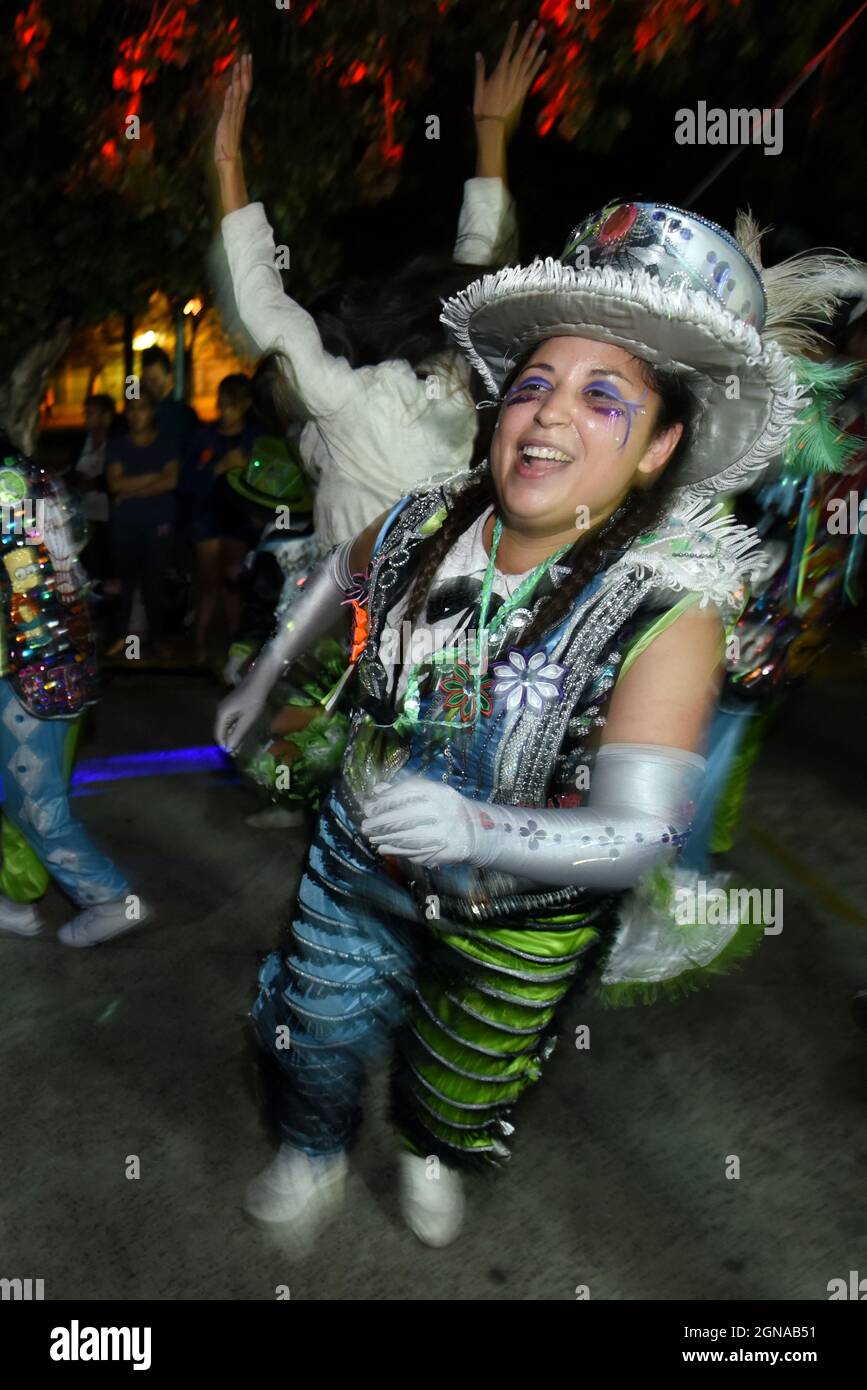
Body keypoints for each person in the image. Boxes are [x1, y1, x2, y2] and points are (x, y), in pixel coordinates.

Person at [216, 199, 863, 1247]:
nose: (550, 414)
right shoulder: (432, 517)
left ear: (659, 449)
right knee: (312, 1023)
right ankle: (315, 1143)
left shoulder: (671, 607)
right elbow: (345, 571)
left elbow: (641, 829)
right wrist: (276, 668)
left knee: (465, 1072)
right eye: (533, 383)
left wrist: (480, 833)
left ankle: (428, 1144)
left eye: (604, 398)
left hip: (522, 917)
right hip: (362, 847)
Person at [214, 25, 545, 551]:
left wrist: (227, 166)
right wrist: (490, 132)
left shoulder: (355, 410)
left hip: (373, 620)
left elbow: (268, 308)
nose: (283, 382)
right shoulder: (447, 385)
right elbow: (478, 268)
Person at [0, 433, 149, 946]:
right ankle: (17, 899)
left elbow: (25, 592)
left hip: (30, 676)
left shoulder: (7, 490)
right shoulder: (35, 479)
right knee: (19, 796)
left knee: (41, 807)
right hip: (57, 667)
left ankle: (111, 900)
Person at [183, 373, 258, 663]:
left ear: (246, 405)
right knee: (208, 581)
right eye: (223, 404)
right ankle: (200, 646)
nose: (226, 411)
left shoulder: (255, 438)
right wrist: (217, 468)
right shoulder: (205, 436)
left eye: (234, 406)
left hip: (239, 518)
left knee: (233, 582)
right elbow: (186, 481)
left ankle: (234, 648)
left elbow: (268, 482)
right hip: (207, 516)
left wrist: (249, 467)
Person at [105, 391, 179, 658]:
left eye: (142, 409)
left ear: (152, 412)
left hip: (157, 523)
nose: (136, 415)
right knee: (125, 583)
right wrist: (153, 477)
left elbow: (171, 481)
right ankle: (122, 638)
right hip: (125, 525)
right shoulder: (116, 444)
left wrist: (130, 490)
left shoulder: (165, 442)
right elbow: (114, 484)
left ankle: (158, 638)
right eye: (131, 409)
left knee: (154, 584)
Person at [74, 393, 116, 588]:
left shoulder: (116, 443)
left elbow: (115, 479)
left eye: (91, 413)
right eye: (86, 413)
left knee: (108, 568)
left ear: (106, 416)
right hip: (85, 515)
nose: (86, 417)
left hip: (109, 517)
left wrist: (95, 483)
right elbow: (72, 471)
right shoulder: (82, 442)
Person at [139, 344, 200, 460]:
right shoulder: (182, 410)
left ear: (169, 377)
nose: (149, 385)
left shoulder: (179, 413)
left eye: (155, 380)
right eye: (145, 380)